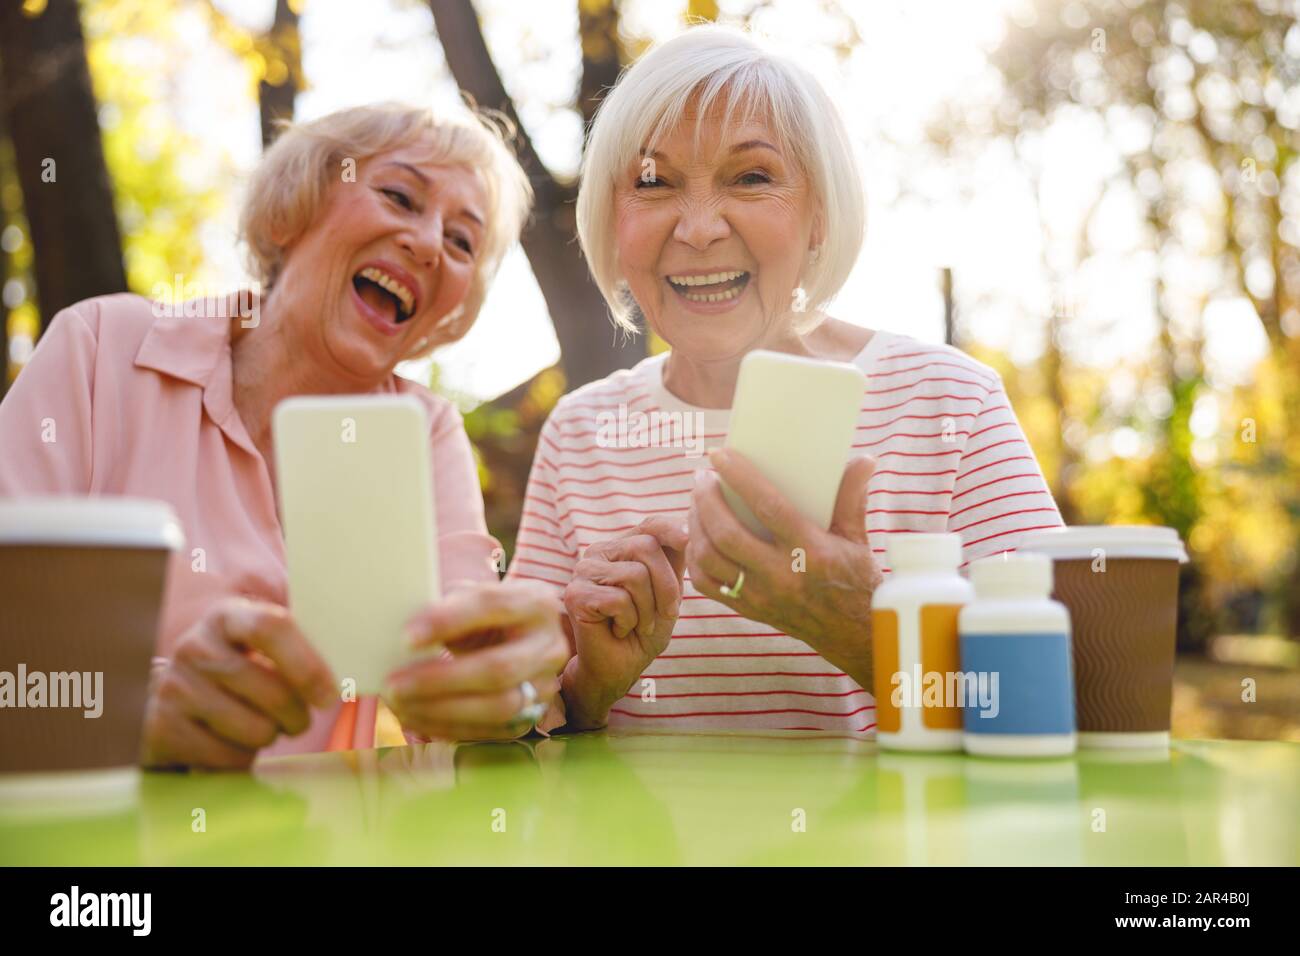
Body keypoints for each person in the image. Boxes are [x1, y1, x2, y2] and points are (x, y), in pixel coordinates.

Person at [508, 27, 1065, 735]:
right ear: (612, 219)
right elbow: (521, 738)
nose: (701, 227)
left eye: (751, 177)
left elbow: (1066, 710)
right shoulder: (581, 432)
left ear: (818, 218)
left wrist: (859, 629)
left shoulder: (950, 404)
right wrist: (590, 686)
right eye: (654, 181)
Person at [0, 104, 568, 768]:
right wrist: (132, 712)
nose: (428, 242)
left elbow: (455, 692)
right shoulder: (103, 349)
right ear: (292, 211)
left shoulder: (426, 433)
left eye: (462, 241)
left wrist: (508, 687)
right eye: (399, 196)